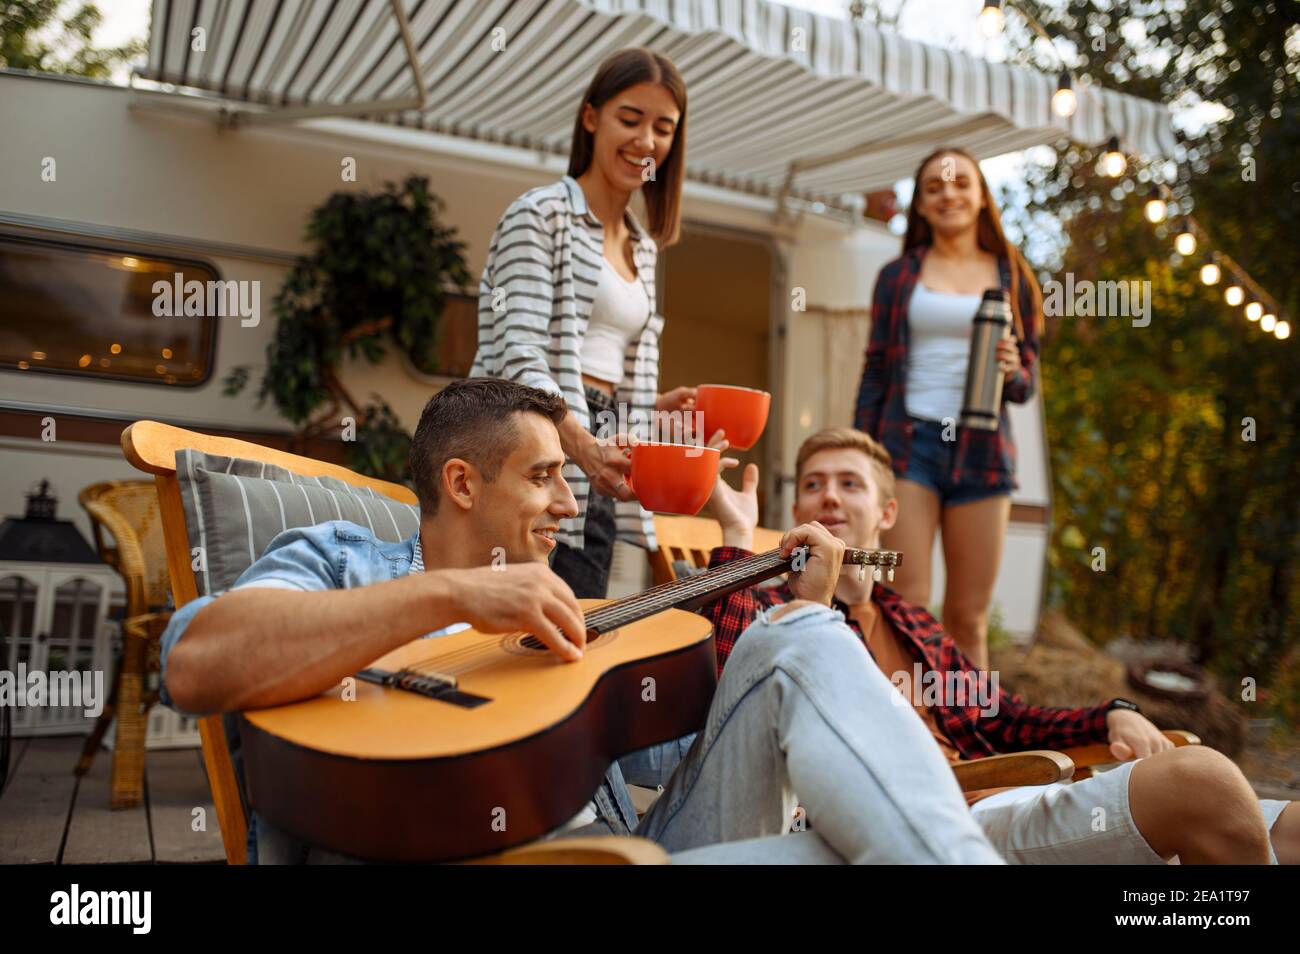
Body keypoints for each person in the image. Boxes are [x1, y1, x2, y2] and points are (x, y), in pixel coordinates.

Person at [158, 378, 1003, 865]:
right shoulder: (347, 562)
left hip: (624, 849)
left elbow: (717, 735)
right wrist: (451, 598)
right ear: (462, 485)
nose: (571, 504)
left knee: (797, 646)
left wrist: (775, 579)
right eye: (545, 478)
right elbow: (198, 664)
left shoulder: (571, 617)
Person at [695, 425, 1298, 864]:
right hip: (937, 818)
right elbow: (734, 702)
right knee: (1205, 783)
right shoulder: (781, 615)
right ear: (796, 508)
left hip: (1011, 792)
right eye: (813, 484)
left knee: (1291, 827)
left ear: (886, 513)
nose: (829, 496)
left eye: (849, 483)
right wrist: (741, 537)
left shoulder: (912, 623)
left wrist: (1114, 710)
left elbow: (1006, 716)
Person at [470, 47, 706, 599]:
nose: (645, 142)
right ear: (591, 116)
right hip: (529, 441)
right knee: (508, 623)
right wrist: (578, 441)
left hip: (599, 441)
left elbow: (606, 369)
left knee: (576, 622)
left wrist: (650, 412)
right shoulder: (540, 214)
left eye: (663, 128)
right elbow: (518, 353)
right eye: (630, 119)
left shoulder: (643, 248)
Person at [855, 147, 1042, 668]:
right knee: (908, 601)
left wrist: (1012, 371)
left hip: (983, 453)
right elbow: (875, 369)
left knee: (969, 617)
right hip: (909, 444)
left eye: (961, 183)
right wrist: (862, 454)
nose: (949, 194)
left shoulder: (1013, 276)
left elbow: (1026, 382)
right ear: (921, 205)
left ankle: (976, 743)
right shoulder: (898, 275)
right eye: (934, 187)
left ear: (982, 196)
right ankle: (908, 731)